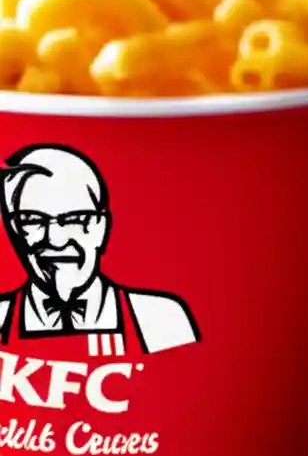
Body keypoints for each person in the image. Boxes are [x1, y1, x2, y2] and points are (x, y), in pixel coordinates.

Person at [0, 144, 199, 355]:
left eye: (75, 219)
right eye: (32, 219)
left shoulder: (159, 319)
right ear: (14, 230)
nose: (56, 240)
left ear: (101, 228)